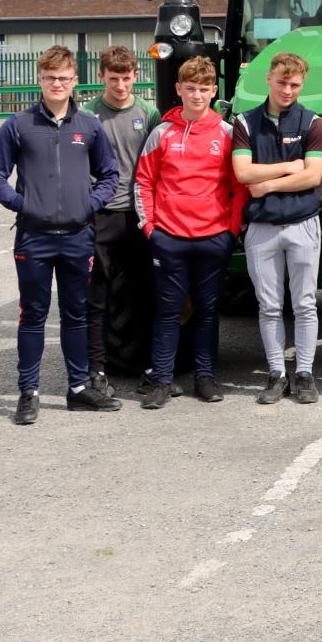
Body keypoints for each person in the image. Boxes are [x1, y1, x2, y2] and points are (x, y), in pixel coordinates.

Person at [0, 45, 123, 424]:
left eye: (63, 78)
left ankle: (78, 388)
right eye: (50, 78)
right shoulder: (19, 124)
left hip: (78, 234)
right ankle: (28, 392)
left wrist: (89, 205)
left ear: (75, 81)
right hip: (35, 236)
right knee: (33, 316)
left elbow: (111, 174)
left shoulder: (89, 126)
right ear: (40, 80)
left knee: (76, 315)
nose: (57, 83)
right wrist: (22, 204)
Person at [133, 56, 245, 408]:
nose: (197, 95)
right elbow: (143, 182)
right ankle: (162, 381)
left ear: (215, 91)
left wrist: (231, 229)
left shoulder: (227, 134)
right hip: (169, 238)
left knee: (208, 312)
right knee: (167, 311)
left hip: (213, 238)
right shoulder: (161, 133)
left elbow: (238, 186)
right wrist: (150, 228)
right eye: (190, 88)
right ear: (179, 89)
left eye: (204, 89)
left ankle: (206, 377)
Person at [231, 52, 322, 406]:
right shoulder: (245, 122)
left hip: (303, 223)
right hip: (262, 227)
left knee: (305, 304)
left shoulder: (312, 122)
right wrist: (292, 168)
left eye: (295, 84)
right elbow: (243, 174)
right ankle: (276, 374)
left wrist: (268, 182)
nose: (288, 90)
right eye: (282, 82)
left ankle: (304, 373)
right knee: (269, 305)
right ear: (268, 80)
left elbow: (314, 176)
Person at [84, 45, 158, 395]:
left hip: (139, 215)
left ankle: (148, 364)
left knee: (144, 292)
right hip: (102, 214)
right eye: (113, 78)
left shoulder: (148, 112)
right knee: (97, 294)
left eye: (126, 78)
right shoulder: (88, 114)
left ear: (135, 77)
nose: (120, 85)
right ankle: (97, 369)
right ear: (101, 77)